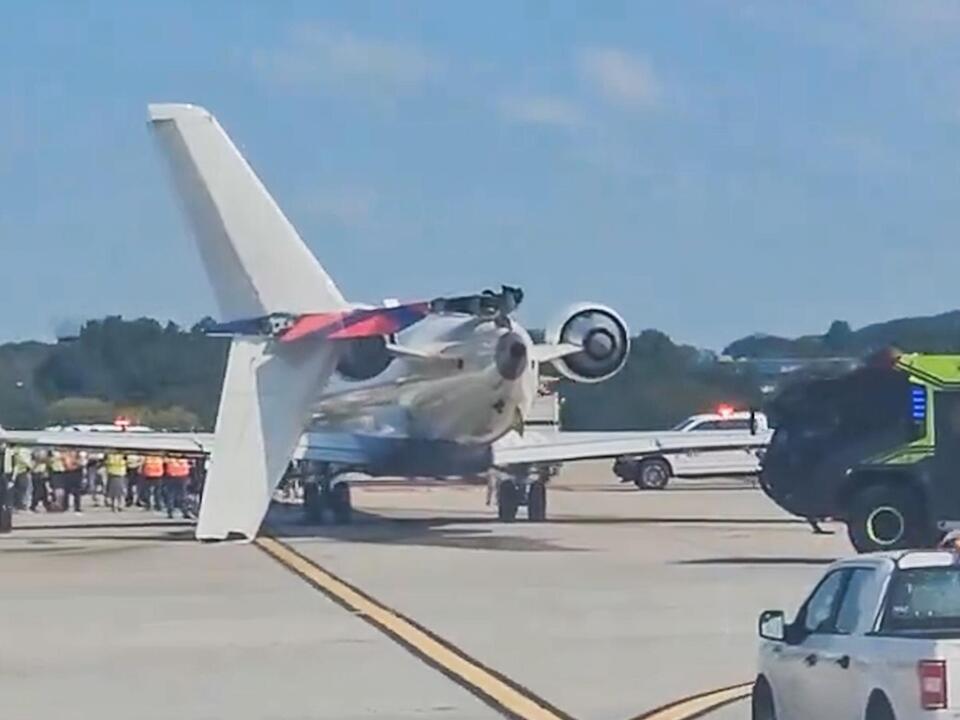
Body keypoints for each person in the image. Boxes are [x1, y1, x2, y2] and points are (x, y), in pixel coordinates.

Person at [61, 448, 83, 514]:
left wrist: (76, 463)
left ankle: (77, 507)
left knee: (77, 492)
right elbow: (67, 465)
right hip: (68, 473)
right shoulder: (66, 456)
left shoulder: (79, 457)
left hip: (77, 474)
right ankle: (65, 507)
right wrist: (74, 464)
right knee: (66, 491)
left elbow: (81, 463)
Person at [11, 446, 32, 510]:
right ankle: (18, 504)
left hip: (21, 472)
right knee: (20, 489)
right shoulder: (20, 451)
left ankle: (19, 504)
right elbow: (25, 461)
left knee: (22, 489)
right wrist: (31, 466)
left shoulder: (22, 450)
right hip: (17, 472)